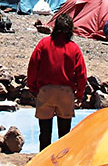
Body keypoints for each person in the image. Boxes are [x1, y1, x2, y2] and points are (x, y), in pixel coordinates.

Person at [27, 13, 88, 149]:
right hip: (66, 93)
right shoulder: (74, 48)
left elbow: (33, 67)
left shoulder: (44, 44)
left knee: (44, 133)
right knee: (64, 134)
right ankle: (61, 164)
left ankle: (43, 161)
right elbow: (81, 74)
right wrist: (79, 94)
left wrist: (32, 88)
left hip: (45, 91)